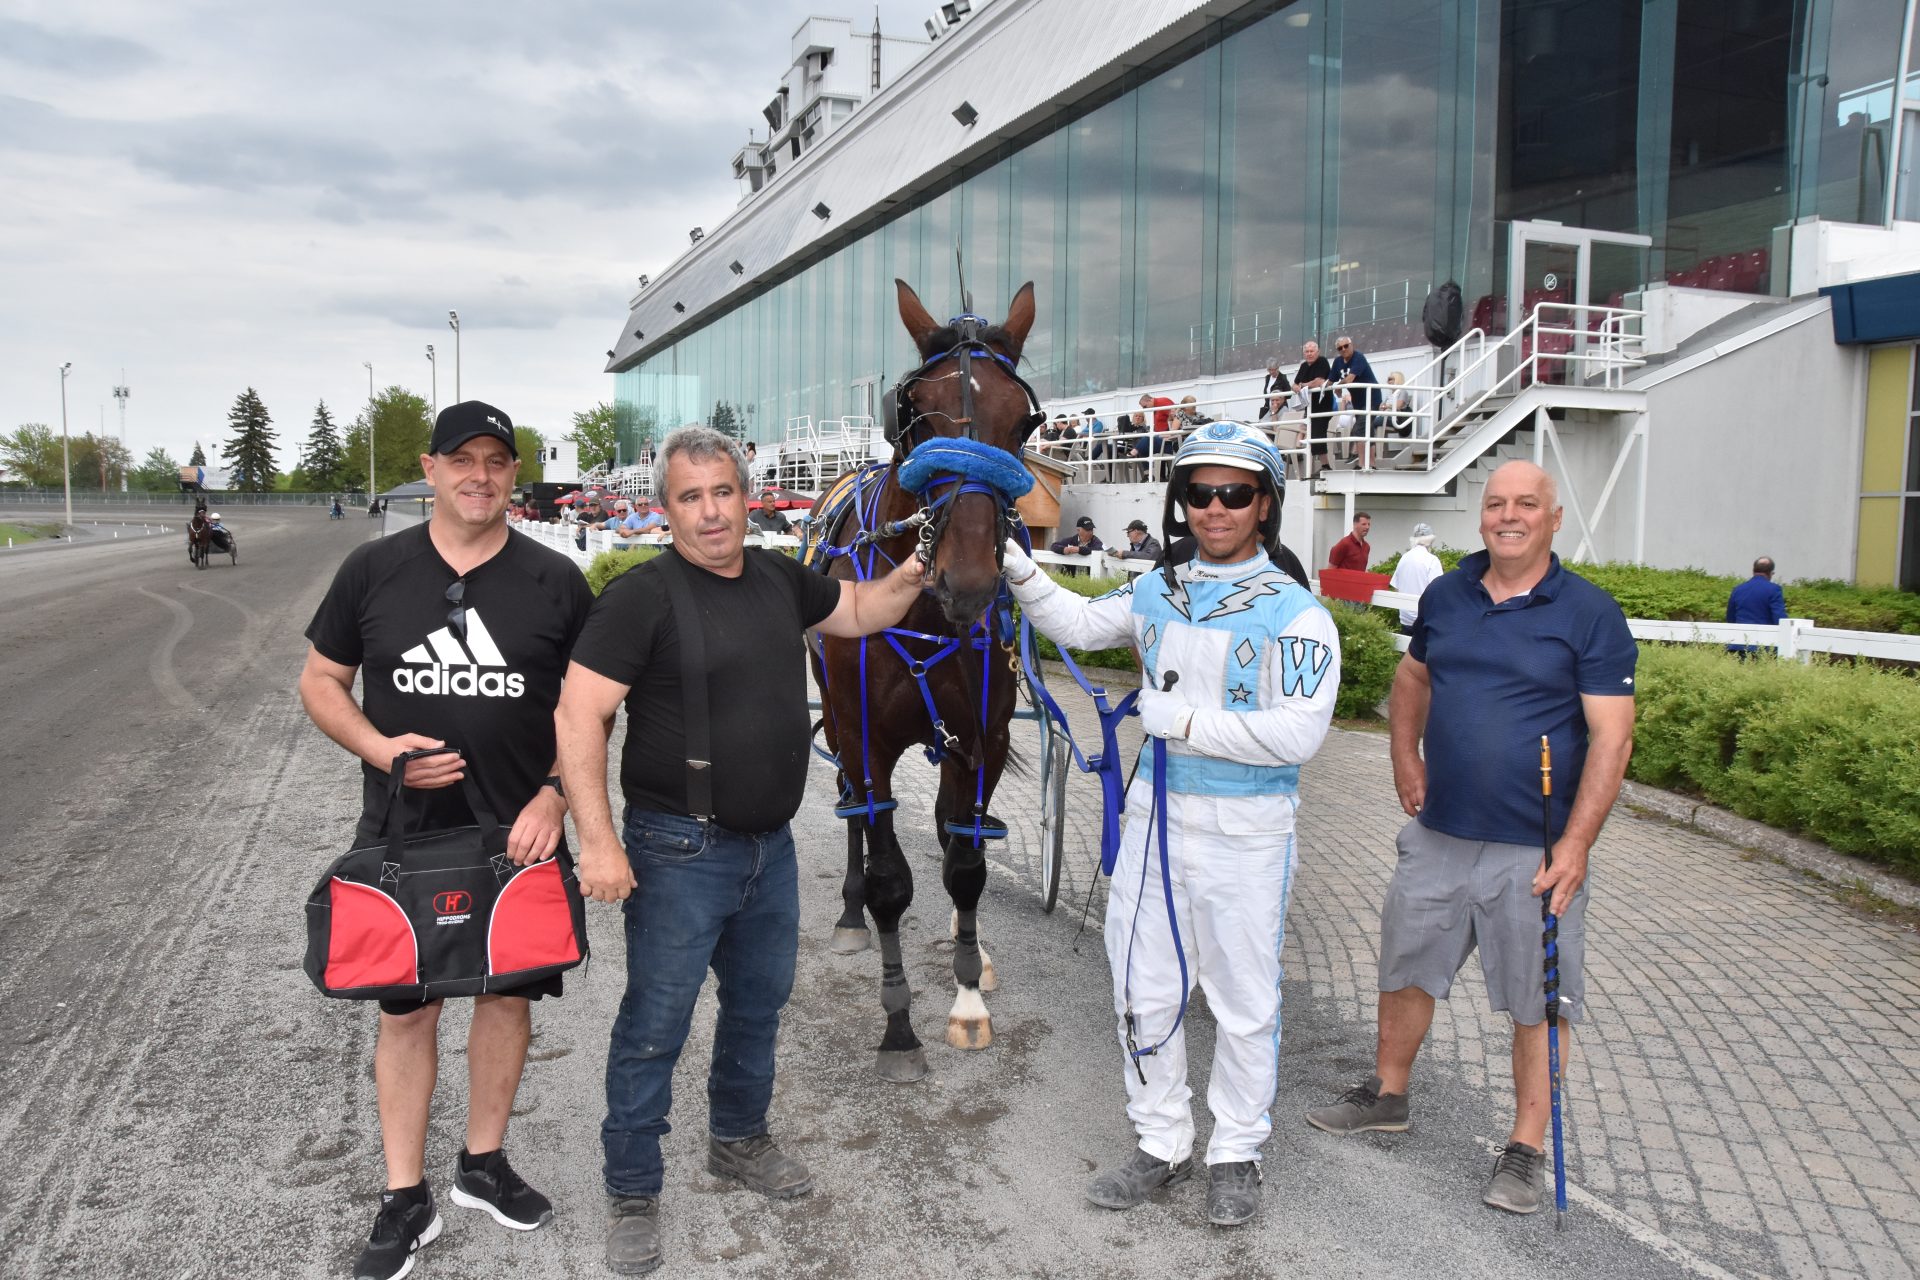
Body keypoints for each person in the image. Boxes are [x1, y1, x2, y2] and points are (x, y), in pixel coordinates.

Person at [553, 426, 930, 1278]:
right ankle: (634, 1189)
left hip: (772, 848)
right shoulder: (639, 599)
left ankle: (737, 1140)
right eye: (690, 497)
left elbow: (862, 611)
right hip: (676, 848)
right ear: (665, 507)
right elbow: (578, 717)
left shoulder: (777, 577)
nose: (711, 511)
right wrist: (599, 843)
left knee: (758, 1007)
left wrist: (912, 573)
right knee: (655, 1026)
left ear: (746, 492)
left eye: (722, 491)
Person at [1002, 421, 1339, 1228]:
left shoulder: (1298, 614)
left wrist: (1181, 723)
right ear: (1179, 501)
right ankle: (1162, 1143)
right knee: (1140, 986)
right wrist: (1016, 566)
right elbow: (1080, 625)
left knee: (1243, 999)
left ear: (1265, 505)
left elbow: (1299, 736)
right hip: (1153, 818)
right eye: (1199, 492)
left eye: (1235, 494)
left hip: (1248, 830)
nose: (1215, 508)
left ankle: (1235, 1153)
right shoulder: (1158, 588)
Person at [298, 401, 593, 1280]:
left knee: (507, 999)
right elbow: (320, 680)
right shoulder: (375, 570)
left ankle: (482, 1165)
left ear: (514, 475)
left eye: (497, 461)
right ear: (428, 469)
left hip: (520, 836)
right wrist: (381, 750)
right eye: (462, 458)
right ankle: (403, 1197)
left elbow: (589, 709)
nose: (480, 474)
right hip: (403, 836)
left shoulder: (554, 581)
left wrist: (556, 795)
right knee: (409, 1007)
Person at [1305, 461, 1636, 1217]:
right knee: (1406, 968)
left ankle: (1524, 1148)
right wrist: (1403, 755)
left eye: (1526, 504)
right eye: (1495, 504)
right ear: (1481, 517)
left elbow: (1611, 740)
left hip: (1536, 849)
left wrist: (1577, 845)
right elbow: (1412, 679)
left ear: (1555, 519)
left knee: (1538, 1000)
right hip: (1439, 833)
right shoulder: (1448, 595)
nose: (1508, 516)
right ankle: (1388, 1095)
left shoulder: (1589, 613)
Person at [1329, 336, 1380, 465]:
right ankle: (1371, 464)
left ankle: (1362, 463)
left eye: (1346, 346)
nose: (1344, 349)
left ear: (1352, 345)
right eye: (1340, 348)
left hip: (1372, 398)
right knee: (1367, 430)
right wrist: (1322, 388)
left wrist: (1339, 386)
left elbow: (1350, 378)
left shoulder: (1358, 357)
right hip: (1359, 401)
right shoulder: (1338, 362)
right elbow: (1330, 380)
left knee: (1360, 429)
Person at [1387, 523, 1444, 634]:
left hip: (1405, 619)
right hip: (1424, 619)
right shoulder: (1432, 560)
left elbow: (1396, 587)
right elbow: (1438, 591)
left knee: (1406, 650)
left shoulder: (1404, 558)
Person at [1725, 556, 1787, 655]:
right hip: (1764, 646)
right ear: (1771, 573)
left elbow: (1730, 617)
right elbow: (1779, 618)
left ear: (1753, 570)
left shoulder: (1738, 589)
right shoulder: (1774, 590)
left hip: (1738, 644)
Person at [1293, 342, 1333, 478]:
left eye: (1312, 351)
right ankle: (1315, 468)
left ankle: (1325, 466)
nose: (1309, 354)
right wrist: (1297, 387)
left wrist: (1303, 385)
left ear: (1317, 352)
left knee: (1317, 435)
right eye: (1307, 351)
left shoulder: (1322, 362)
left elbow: (1319, 381)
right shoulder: (1304, 366)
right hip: (1309, 407)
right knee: (1309, 435)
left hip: (1323, 405)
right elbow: (1294, 383)